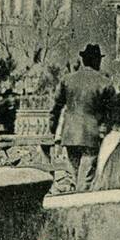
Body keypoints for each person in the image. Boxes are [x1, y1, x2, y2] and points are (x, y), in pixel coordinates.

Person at [49, 43, 113, 191]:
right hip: (92, 135)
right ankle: (81, 208)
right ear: (96, 60)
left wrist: (53, 128)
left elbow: (56, 107)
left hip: (70, 135)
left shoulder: (67, 80)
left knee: (75, 173)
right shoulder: (105, 82)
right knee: (87, 177)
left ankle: (74, 203)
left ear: (84, 60)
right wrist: (106, 129)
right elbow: (113, 111)